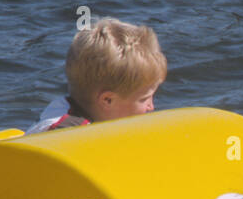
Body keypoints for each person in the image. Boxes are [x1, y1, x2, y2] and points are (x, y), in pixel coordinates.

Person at [26, 18, 168, 133]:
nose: (151, 107)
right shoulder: (70, 135)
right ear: (107, 100)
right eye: (144, 99)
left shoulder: (67, 107)